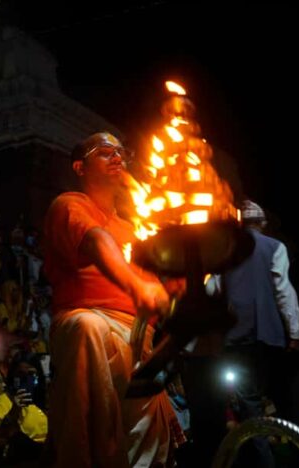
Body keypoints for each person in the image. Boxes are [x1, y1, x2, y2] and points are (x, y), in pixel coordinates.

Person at [42, 132, 178, 467]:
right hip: (89, 317)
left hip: (140, 337)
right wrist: (136, 286)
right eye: (105, 152)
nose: (118, 157)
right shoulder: (69, 204)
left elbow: (161, 290)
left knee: (143, 439)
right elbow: (96, 240)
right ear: (80, 167)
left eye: (121, 152)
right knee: (87, 328)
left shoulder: (134, 229)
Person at [193, 199, 299, 466]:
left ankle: (262, 461)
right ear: (262, 224)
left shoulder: (226, 249)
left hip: (236, 337)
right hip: (271, 337)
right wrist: (295, 333)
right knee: (283, 397)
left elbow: (212, 290)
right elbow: (284, 292)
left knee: (249, 402)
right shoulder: (275, 247)